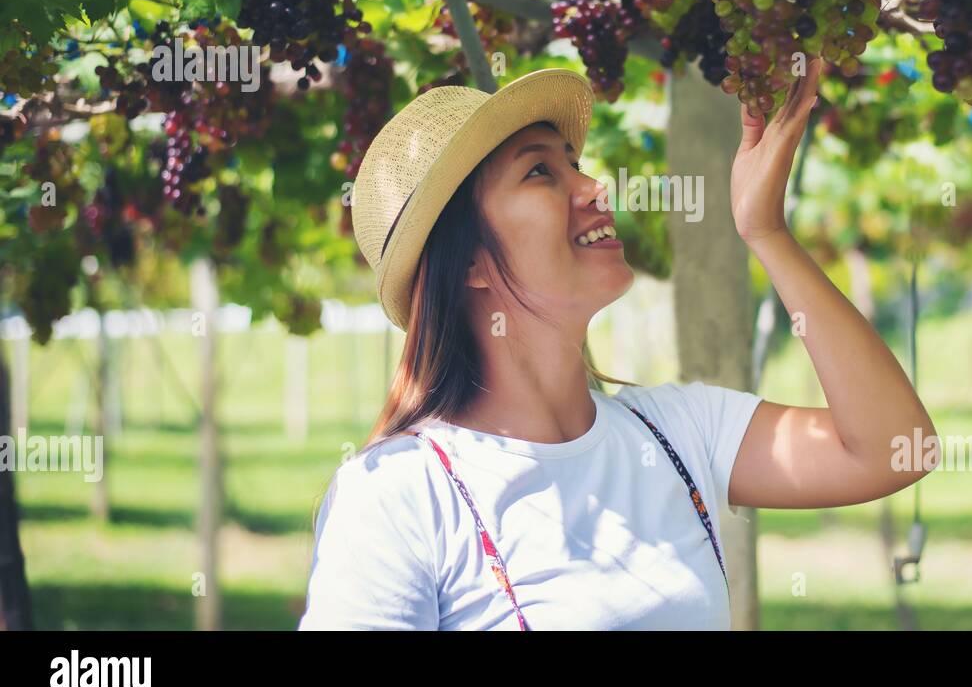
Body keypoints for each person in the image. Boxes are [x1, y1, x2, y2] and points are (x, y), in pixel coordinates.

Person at [298, 61, 936, 630]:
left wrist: (765, 231)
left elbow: (895, 450)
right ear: (468, 259)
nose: (593, 186)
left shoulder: (677, 432)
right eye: (541, 172)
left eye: (573, 163)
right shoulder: (398, 492)